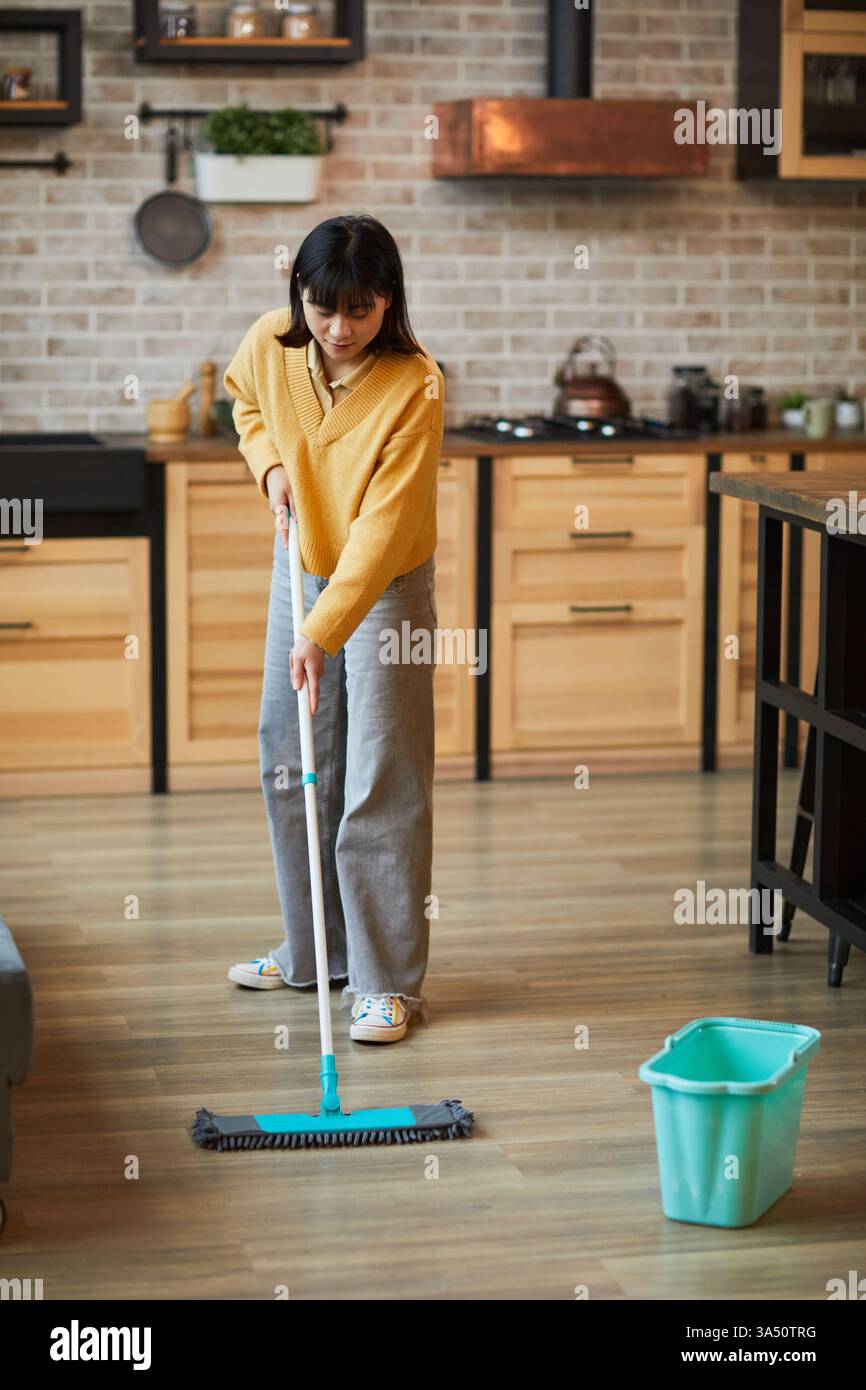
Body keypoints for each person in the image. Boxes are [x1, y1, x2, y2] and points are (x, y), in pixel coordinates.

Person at [222, 214, 444, 1043]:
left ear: (389, 301)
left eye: (360, 310)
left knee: (379, 772)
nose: (340, 330)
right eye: (323, 309)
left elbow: (383, 534)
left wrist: (318, 633)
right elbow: (244, 403)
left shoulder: (414, 385)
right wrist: (272, 467)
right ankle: (315, 951)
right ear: (300, 296)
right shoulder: (271, 347)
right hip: (299, 560)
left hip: (384, 584)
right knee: (291, 754)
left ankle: (387, 985)